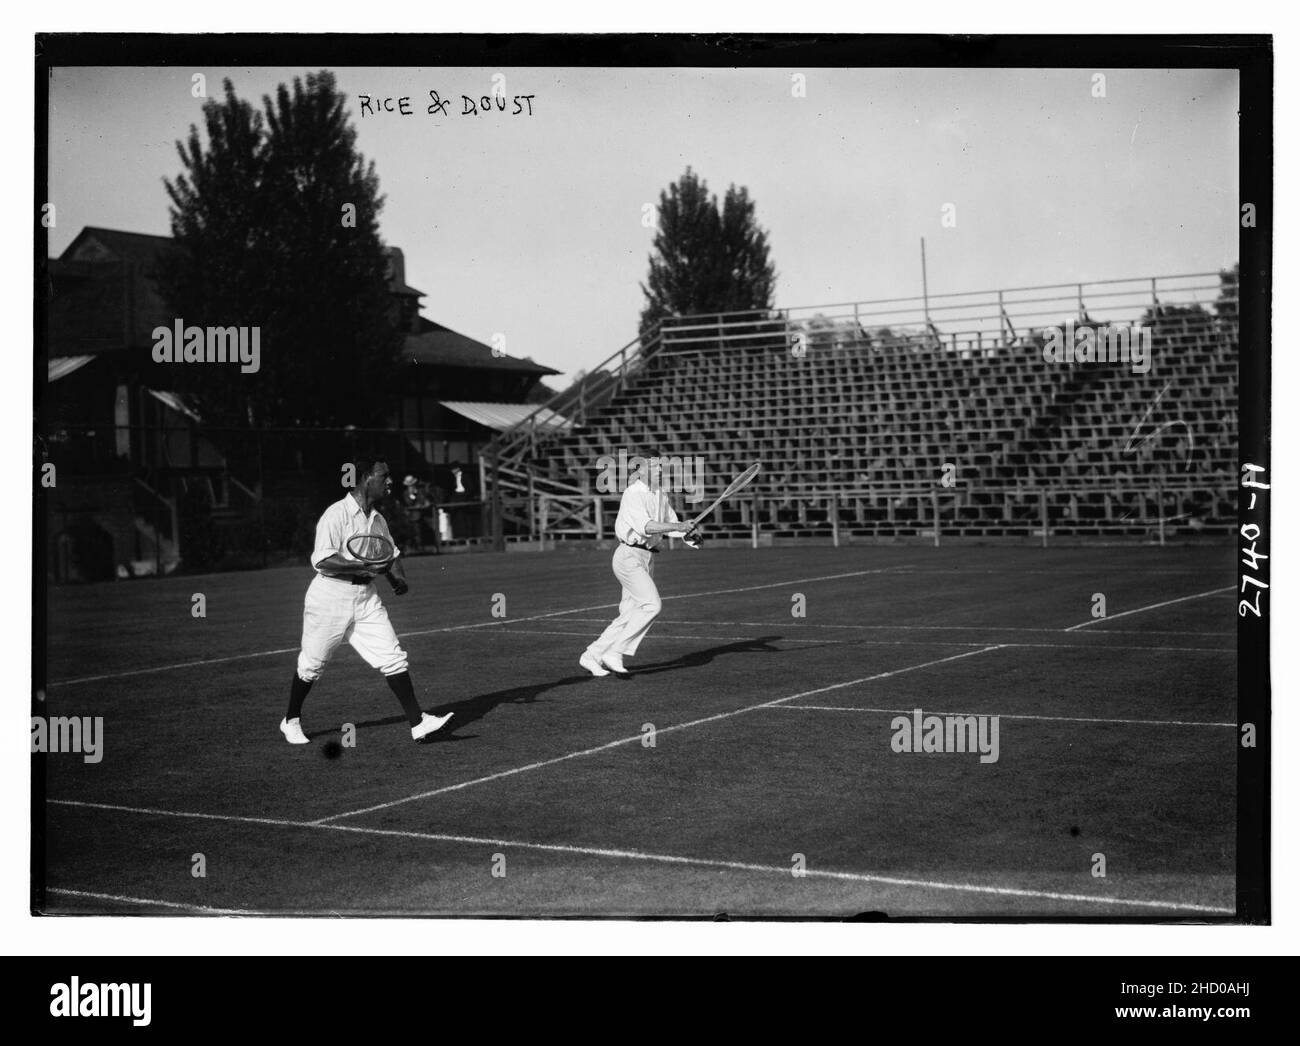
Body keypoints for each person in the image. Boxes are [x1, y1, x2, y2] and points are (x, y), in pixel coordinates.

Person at [279, 455, 453, 745]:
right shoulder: (335, 514)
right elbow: (323, 561)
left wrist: (398, 579)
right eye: (384, 476)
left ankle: (418, 723)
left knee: (393, 657)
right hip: (330, 597)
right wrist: (362, 568)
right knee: (312, 665)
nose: (390, 481)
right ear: (365, 479)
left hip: (366, 598)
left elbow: (391, 555)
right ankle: (291, 720)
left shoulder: (378, 519)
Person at [580, 455, 702, 677]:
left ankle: (592, 655)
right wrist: (679, 525)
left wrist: (688, 534)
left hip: (647, 558)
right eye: (654, 466)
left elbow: (669, 526)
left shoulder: (660, 493)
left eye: (661, 466)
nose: (660, 469)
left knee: (629, 614)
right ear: (639, 470)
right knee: (651, 605)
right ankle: (615, 651)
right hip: (628, 556)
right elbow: (646, 526)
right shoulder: (632, 493)